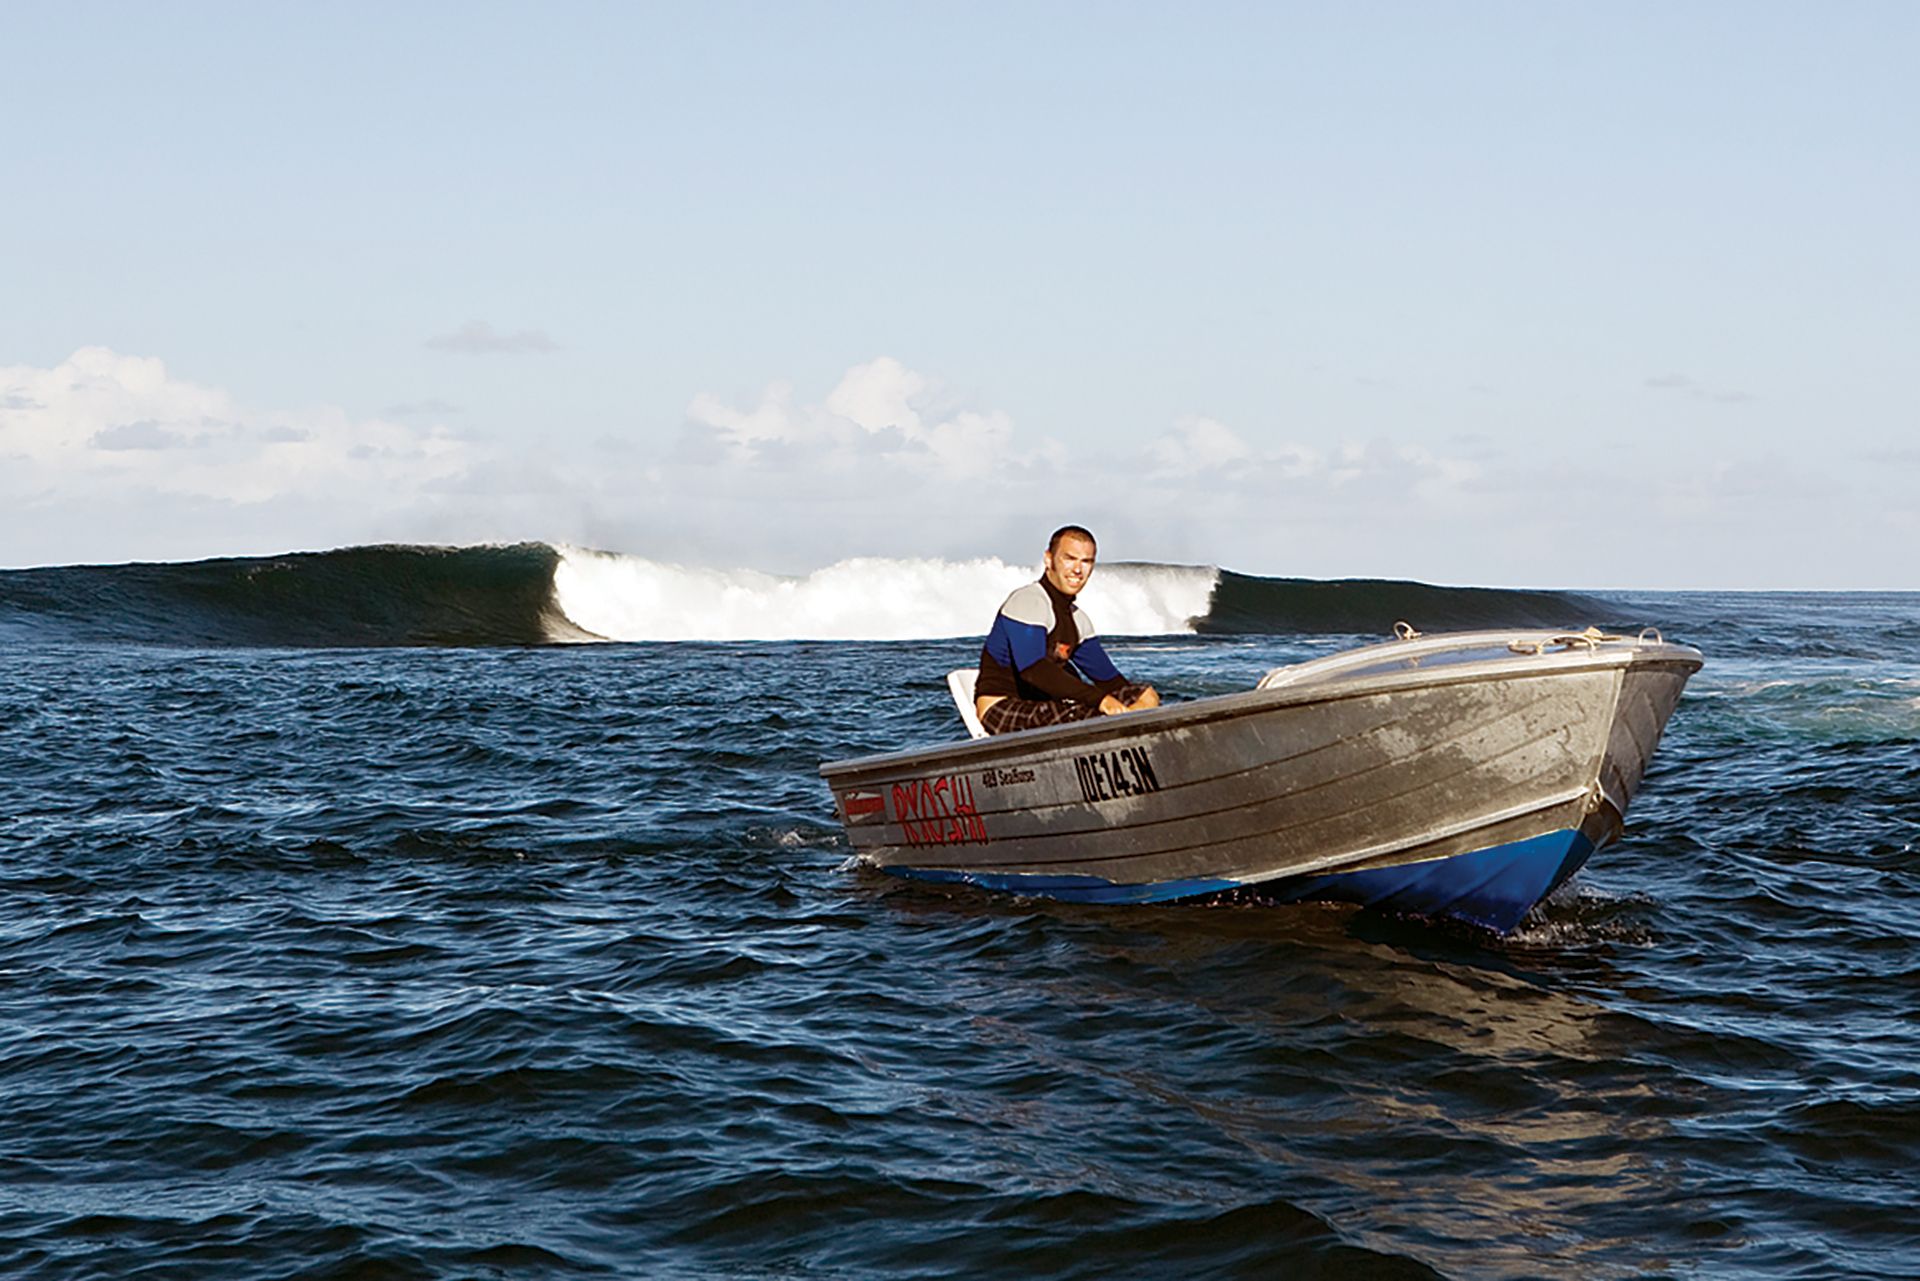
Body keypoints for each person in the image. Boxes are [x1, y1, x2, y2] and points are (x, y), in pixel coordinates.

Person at [975, 525, 1160, 735]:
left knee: (1144, 694)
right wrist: (1102, 701)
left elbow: (1110, 681)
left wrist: (1126, 706)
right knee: (1082, 714)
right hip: (1002, 709)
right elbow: (1033, 669)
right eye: (1069, 558)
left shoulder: (1078, 620)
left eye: (1086, 561)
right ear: (1048, 559)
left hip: (1048, 708)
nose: (1078, 570)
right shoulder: (1027, 600)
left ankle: (1133, 743)